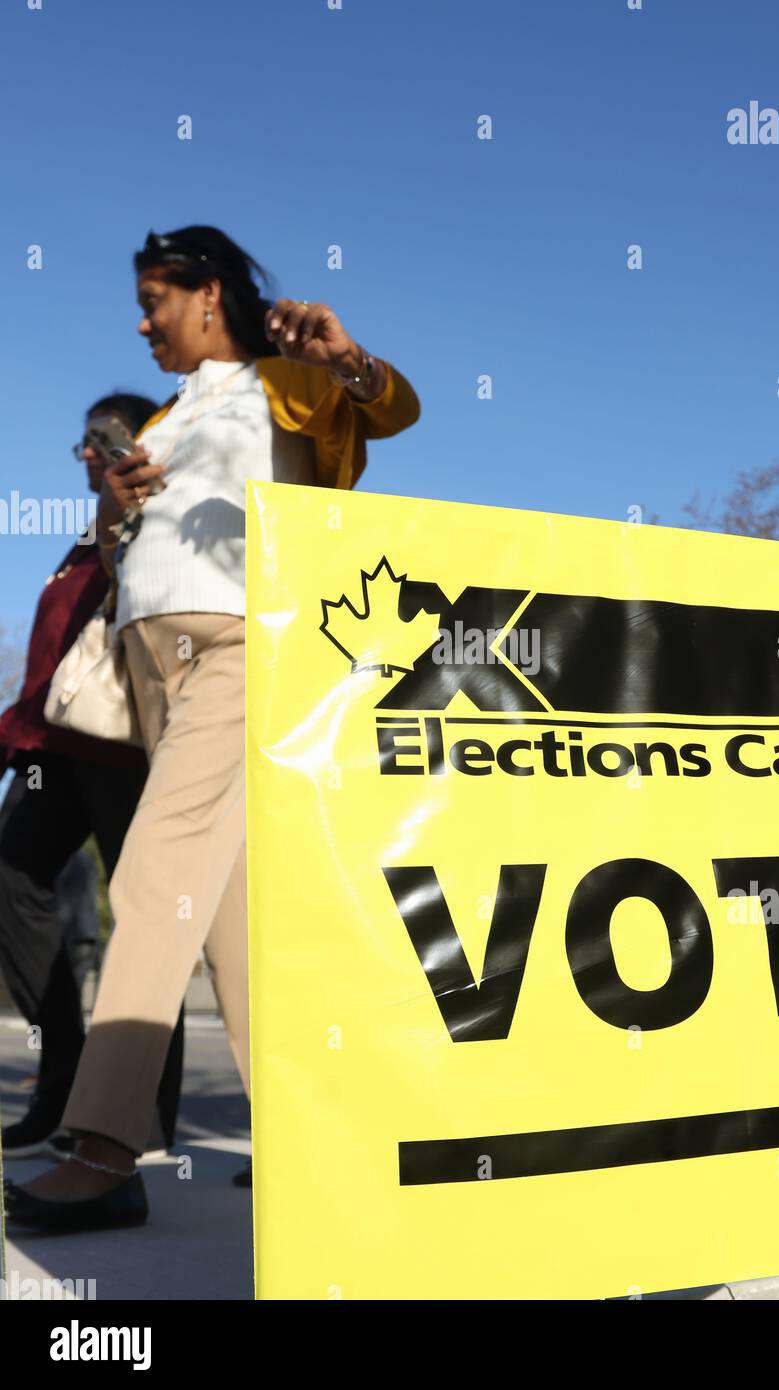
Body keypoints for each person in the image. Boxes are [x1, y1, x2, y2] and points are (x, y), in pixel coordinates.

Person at [5, 226, 420, 1231]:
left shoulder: (285, 380)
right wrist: (119, 502)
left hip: (244, 646)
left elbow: (392, 413)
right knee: (227, 922)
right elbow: (120, 553)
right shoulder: (164, 414)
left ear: (209, 295)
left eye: (156, 297)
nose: (143, 320)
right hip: (154, 673)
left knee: (149, 873)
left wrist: (347, 360)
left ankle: (105, 1146)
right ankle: (312, 1137)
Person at [0, 394, 185, 1160]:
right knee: (11, 878)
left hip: (126, 748)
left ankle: (134, 1125)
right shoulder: (77, 543)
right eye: (83, 441)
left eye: (100, 439)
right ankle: (64, 1074)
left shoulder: (156, 517)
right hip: (51, 746)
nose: (85, 453)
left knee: (147, 919)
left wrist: (130, 512)